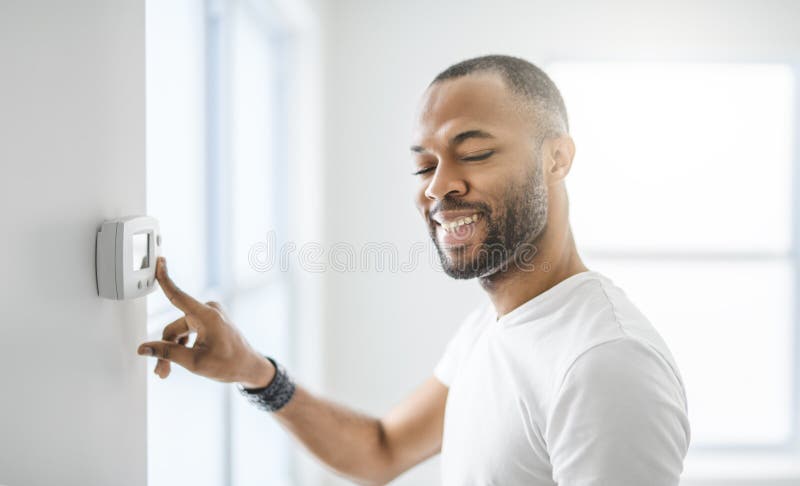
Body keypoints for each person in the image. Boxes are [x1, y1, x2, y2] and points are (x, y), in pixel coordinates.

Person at [138, 54, 690, 485]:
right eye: (424, 165)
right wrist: (254, 372)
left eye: (474, 153)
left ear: (557, 158)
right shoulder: (492, 326)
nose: (437, 186)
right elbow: (381, 450)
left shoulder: (604, 364)